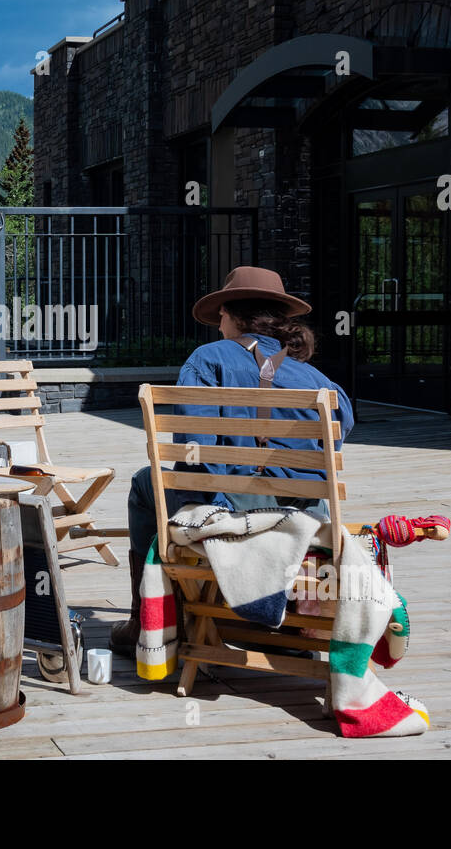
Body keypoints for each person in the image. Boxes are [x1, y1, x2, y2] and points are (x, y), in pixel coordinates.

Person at [108, 266, 354, 657]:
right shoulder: (317, 380)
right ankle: (293, 622)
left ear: (234, 315)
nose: (218, 324)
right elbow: (336, 443)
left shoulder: (207, 360)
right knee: (309, 493)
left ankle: (146, 618)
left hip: (232, 511)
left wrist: (217, 497)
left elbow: (195, 453)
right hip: (305, 515)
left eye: (221, 315)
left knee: (143, 483)